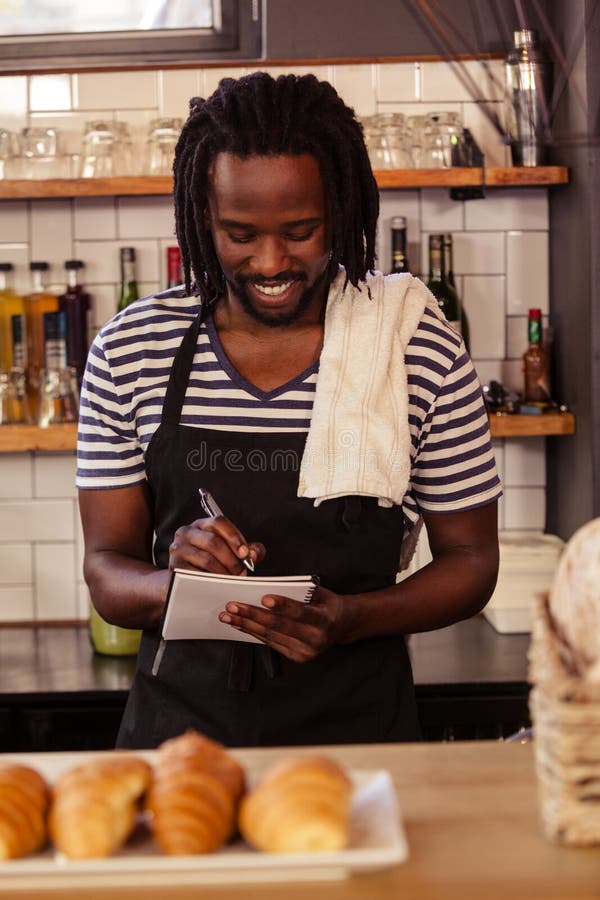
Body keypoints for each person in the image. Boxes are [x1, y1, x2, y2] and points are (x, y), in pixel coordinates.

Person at [77, 72, 501, 749]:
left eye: (302, 231)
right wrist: (174, 583)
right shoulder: (133, 349)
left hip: (361, 740)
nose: (271, 262)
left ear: (342, 209)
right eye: (239, 233)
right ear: (201, 218)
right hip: (180, 744)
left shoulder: (413, 345)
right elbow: (105, 569)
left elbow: (473, 562)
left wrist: (352, 617)